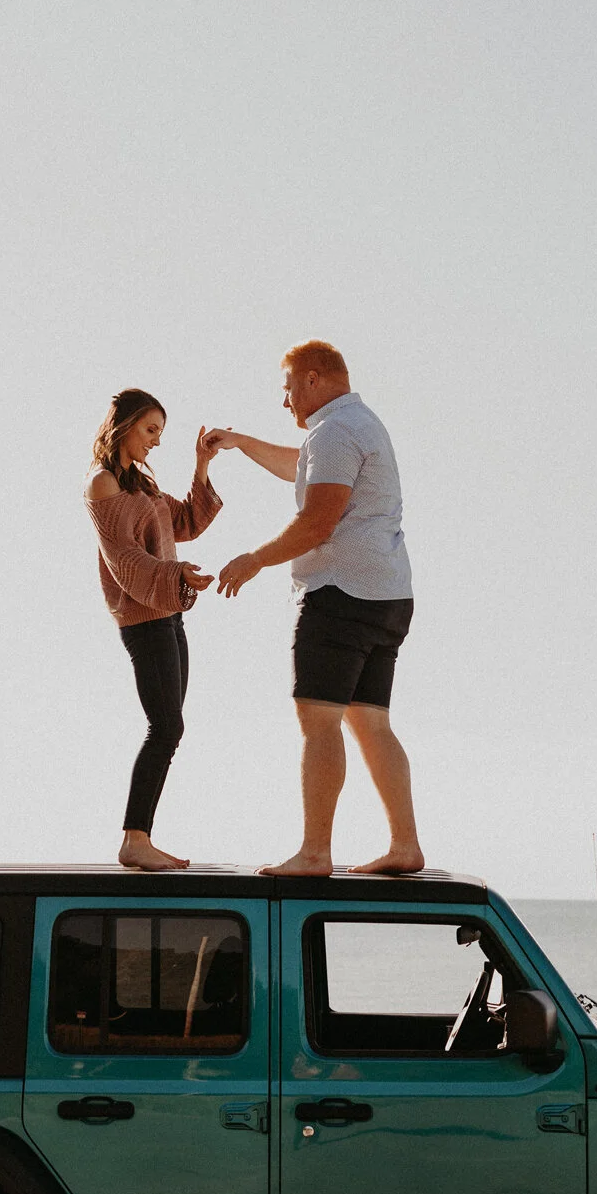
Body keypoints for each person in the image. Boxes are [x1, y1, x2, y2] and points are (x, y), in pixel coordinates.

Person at [210, 342, 422, 876]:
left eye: (286, 388)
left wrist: (253, 560)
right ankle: (405, 846)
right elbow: (298, 465)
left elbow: (317, 522)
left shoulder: (334, 433)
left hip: (339, 592)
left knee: (318, 719)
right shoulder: (355, 425)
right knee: (371, 722)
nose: (284, 400)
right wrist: (239, 443)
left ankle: (315, 853)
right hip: (387, 595)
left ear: (312, 378)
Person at [86, 389, 222, 871]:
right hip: (143, 617)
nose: (155, 442)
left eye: (160, 433)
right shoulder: (102, 484)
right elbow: (124, 559)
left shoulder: (141, 484)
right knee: (165, 726)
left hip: (168, 613)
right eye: (150, 430)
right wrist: (175, 573)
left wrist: (201, 465)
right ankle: (134, 839)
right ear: (122, 425)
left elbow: (183, 521)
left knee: (170, 728)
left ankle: (138, 837)